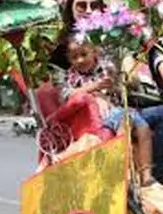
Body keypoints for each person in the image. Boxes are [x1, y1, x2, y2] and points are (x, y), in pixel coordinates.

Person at [56, 31, 157, 186]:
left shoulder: (106, 67)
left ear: (94, 52)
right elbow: (67, 95)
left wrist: (119, 80)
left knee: (144, 128)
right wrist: (94, 88)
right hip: (100, 116)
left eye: (84, 54)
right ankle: (125, 173)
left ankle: (146, 173)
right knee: (125, 125)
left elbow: (123, 86)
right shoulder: (72, 77)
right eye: (74, 57)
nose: (80, 60)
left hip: (119, 108)